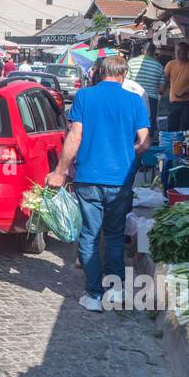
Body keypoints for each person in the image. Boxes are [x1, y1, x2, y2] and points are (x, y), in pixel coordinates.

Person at [47, 55, 150, 313]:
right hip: (121, 179)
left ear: (98, 73)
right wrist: (128, 153)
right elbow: (145, 142)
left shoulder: (84, 97)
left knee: (90, 235)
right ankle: (115, 291)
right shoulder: (134, 100)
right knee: (115, 235)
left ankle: (93, 295)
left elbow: (75, 136)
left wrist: (60, 170)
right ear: (123, 75)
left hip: (88, 178)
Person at [162, 41, 189, 132]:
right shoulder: (170, 64)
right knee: (172, 127)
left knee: (185, 128)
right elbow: (163, 78)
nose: (177, 53)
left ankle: (184, 145)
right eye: (176, 51)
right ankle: (172, 145)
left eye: (180, 51)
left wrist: (185, 91)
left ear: (187, 51)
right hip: (174, 102)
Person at [127, 42, 165, 132]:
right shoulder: (159, 66)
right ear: (154, 52)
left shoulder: (131, 62)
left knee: (133, 122)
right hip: (151, 99)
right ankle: (148, 142)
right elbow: (162, 90)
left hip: (134, 97)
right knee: (148, 124)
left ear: (142, 50)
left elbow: (126, 82)